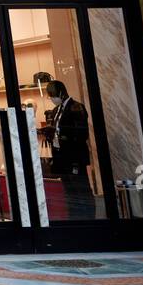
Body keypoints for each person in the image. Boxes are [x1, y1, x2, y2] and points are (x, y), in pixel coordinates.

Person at [47, 79, 94, 218]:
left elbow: (81, 133)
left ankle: (87, 218)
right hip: (60, 156)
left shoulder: (76, 107)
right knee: (68, 190)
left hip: (74, 156)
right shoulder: (56, 110)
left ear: (61, 93)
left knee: (80, 188)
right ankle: (73, 217)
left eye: (52, 95)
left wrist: (62, 134)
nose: (52, 99)